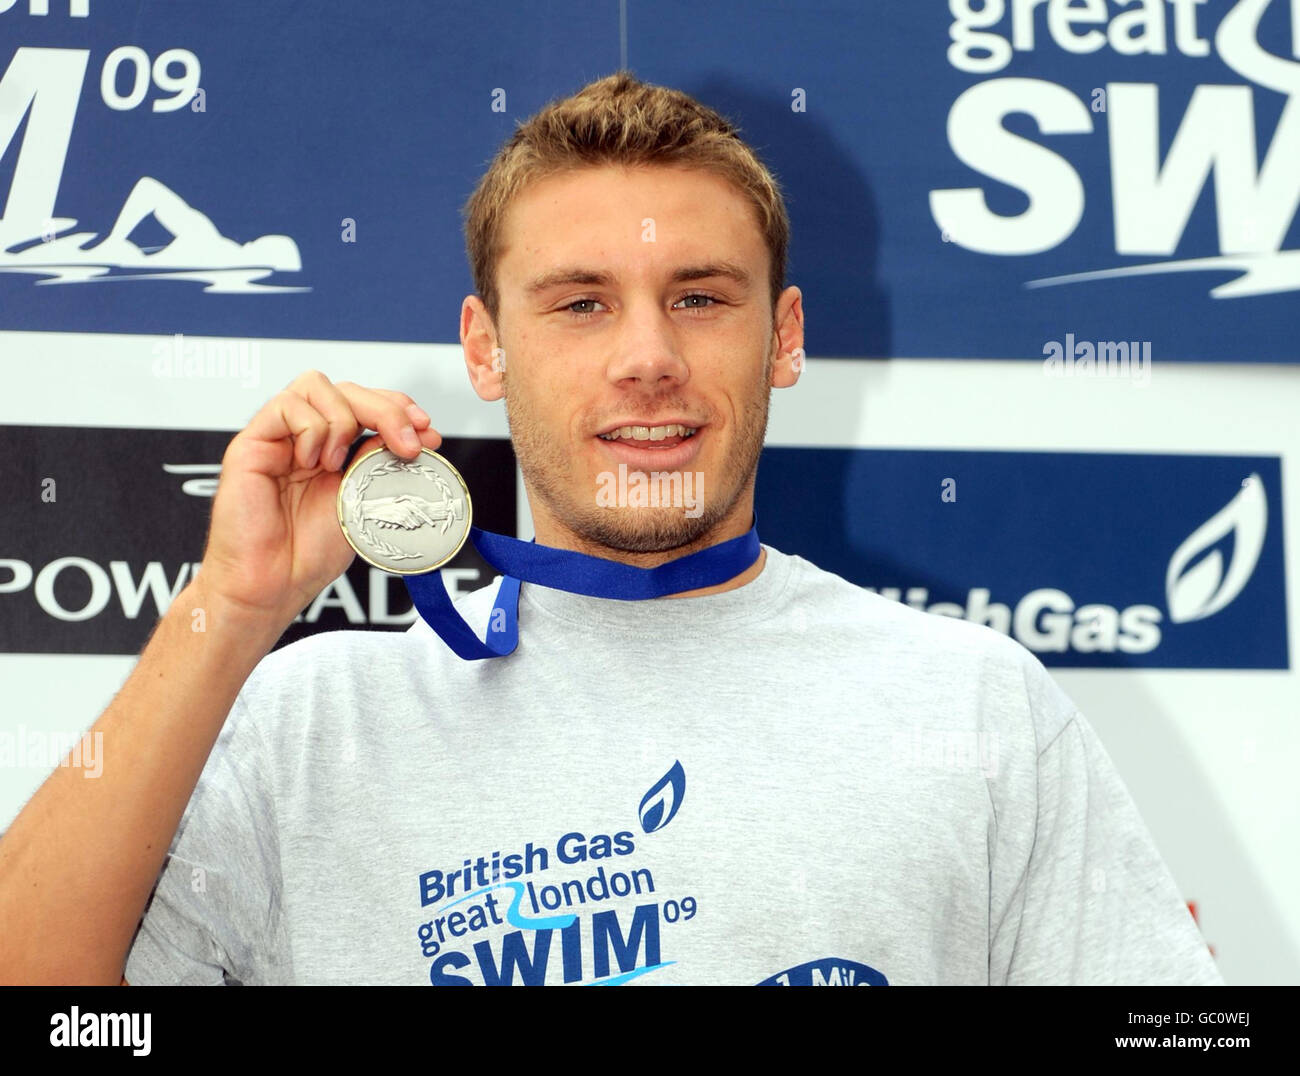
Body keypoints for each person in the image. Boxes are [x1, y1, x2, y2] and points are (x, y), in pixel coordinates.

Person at [0, 71, 1222, 987]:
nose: (648, 358)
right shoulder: (310, 720)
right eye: (581, 304)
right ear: (486, 347)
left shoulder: (975, 705)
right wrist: (234, 608)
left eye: (699, 297)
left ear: (784, 336)